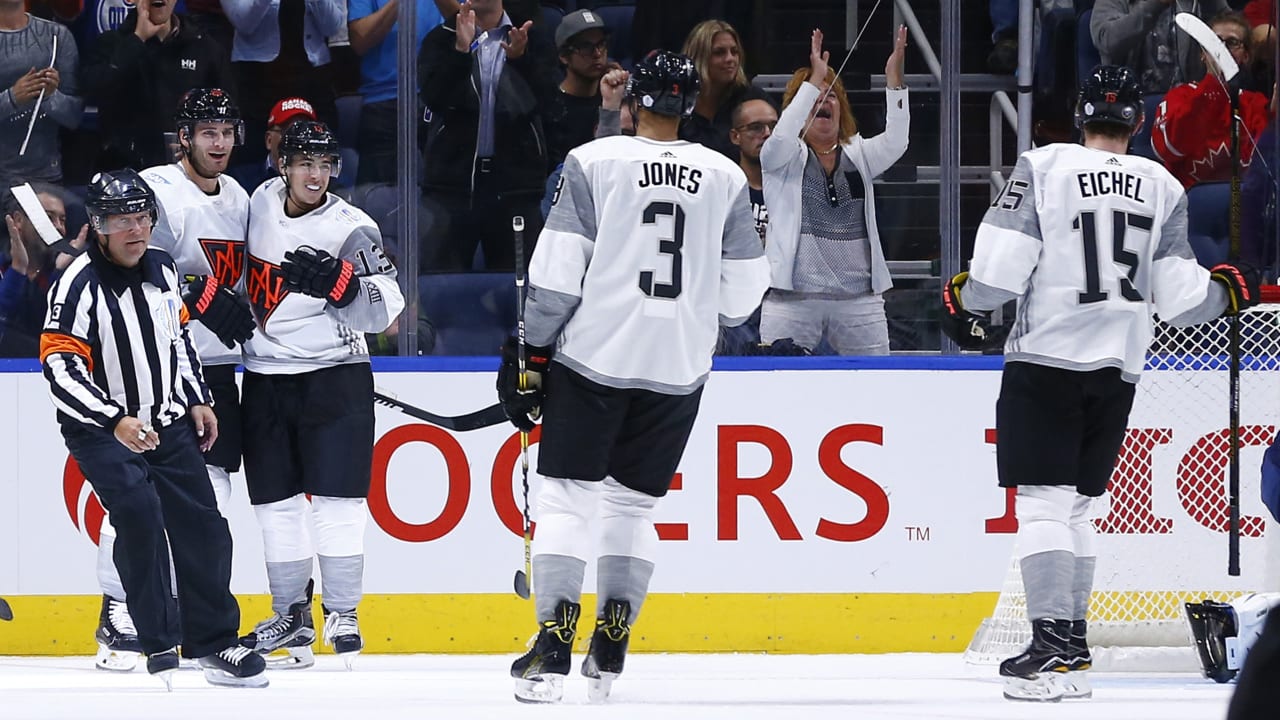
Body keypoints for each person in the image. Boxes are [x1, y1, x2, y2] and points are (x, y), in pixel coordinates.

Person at [941, 65, 1259, 702]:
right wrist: (1226, 289)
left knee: (1041, 506)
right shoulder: (1163, 185)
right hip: (1120, 367)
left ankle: (1052, 647)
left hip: (1048, 357)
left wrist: (963, 298)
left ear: (1080, 116)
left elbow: (998, 276)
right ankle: (1073, 644)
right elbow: (1180, 300)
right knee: (1079, 507)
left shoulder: (1045, 166)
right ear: (1138, 122)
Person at [500, 49, 769, 704]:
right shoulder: (726, 175)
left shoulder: (593, 162)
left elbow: (560, 272)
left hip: (595, 358)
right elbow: (744, 296)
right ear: (688, 103)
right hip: (678, 367)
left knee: (565, 497)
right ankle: (613, 639)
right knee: (633, 504)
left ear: (632, 103)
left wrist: (529, 353)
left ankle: (555, 641)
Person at [40, 168, 267, 689]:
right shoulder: (76, 283)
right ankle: (156, 639)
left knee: (205, 526)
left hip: (166, 423)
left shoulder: (164, 269)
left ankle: (214, 644)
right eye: (122, 219)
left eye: (142, 216)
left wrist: (197, 399)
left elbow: (177, 341)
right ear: (98, 225)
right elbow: (60, 367)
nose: (135, 229)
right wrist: (114, 419)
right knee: (140, 515)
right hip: (100, 429)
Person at [238, 120, 405, 670]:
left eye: (325, 164)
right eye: (305, 163)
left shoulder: (353, 227)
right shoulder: (258, 201)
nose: (316, 174)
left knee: (339, 502)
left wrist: (346, 287)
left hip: (335, 376)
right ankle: (291, 614)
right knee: (275, 507)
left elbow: (386, 312)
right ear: (281, 166)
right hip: (264, 377)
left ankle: (343, 611)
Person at [759, 27, 909, 356]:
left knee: (874, 390)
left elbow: (897, 141)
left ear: (841, 109)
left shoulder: (860, 154)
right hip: (792, 300)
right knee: (779, 390)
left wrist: (894, 82)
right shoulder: (780, 158)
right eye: (814, 97)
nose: (824, 101)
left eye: (831, 96)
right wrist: (812, 82)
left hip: (860, 301)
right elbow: (782, 136)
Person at [417, 0, 555, 271]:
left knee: (517, 284)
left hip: (516, 186)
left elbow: (549, 103)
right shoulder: (442, 38)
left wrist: (521, 60)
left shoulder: (531, 36)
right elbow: (436, 100)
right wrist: (460, 51)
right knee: (444, 285)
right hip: (452, 185)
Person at [81, 0, 236, 172]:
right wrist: (137, 40)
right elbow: (96, 89)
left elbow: (227, 112)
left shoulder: (205, 48)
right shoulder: (110, 44)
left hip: (187, 173)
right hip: (125, 171)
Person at [1153, 11, 1270, 188]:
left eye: (1231, 43)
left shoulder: (1255, 104)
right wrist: (1213, 84)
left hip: (1243, 205)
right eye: (1213, 42)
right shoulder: (1179, 96)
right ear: (1203, 54)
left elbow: (1265, 164)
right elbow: (1167, 149)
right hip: (1190, 205)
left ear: (1245, 56)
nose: (1220, 49)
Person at [222, 0, 344, 168]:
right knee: (253, 160)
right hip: (258, 78)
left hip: (312, 76)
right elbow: (244, 22)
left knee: (318, 155)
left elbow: (333, 26)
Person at [347, 0, 444, 185]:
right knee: (376, 196)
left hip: (437, 99)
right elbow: (359, 40)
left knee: (441, 197)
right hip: (384, 101)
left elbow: (471, 26)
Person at [0, 0, 83, 190]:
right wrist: (12, 98)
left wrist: (50, 97)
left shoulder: (57, 37)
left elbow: (74, 117)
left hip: (44, 177)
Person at [1, 184, 86, 358]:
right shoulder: (2, 267)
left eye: (62, 221)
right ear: (18, 220)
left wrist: (59, 272)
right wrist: (17, 270)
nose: (58, 228)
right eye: (48, 218)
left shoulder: (72, 272)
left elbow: (51, 329)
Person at [1091, 0, 1230, 95]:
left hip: (1189, 103)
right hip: (1128, 103)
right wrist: (1156, 4)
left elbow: (1233, 30)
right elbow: (1107, 40)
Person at [679, 19, 769, 161]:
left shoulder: (753, 98)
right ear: (699, 57)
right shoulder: (677, 103)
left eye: (734, 52)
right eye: (719, 52)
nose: (730, 59)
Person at [543, 8, 612, 170]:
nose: (597, 54)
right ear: (564, 56)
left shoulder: (613, 100)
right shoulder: (550, 108)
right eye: (586, 47)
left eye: (601, 44)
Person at [230, 95, 319, 191]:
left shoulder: (322, 182)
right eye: (288, 131)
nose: (297, 140)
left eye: (304, 133)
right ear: (269, 140)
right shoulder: (240, 180)